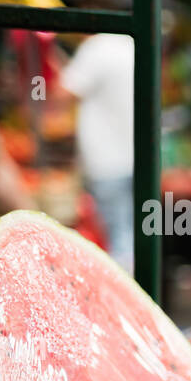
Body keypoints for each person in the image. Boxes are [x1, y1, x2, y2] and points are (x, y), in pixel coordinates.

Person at [58, 30, 135, 272]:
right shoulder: (130, 44)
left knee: (117, 243)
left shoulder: (96, 49)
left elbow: (61, 93)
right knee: (126, 234)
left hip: (106, 162)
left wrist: (41, 72)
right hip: (132, 158)